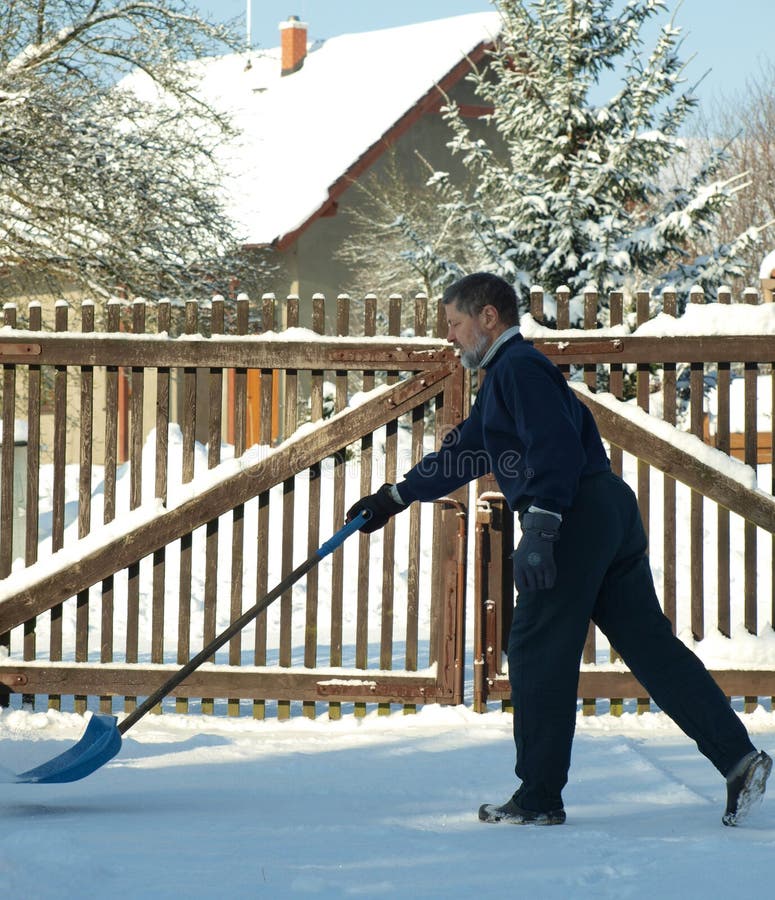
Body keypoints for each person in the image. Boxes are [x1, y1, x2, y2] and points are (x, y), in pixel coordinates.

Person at [346, 271, 771, 827]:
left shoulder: (518, 370)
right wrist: (395, 496)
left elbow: (555, 447)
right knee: (649, 649)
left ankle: (540, 796)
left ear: (488, 318)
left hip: (572, 513)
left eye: (454, 323)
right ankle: (738, 759)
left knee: (536, 650)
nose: (450, 337)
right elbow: (466, 452)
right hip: (604, 509)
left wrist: (543, 527)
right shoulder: (507, 376)